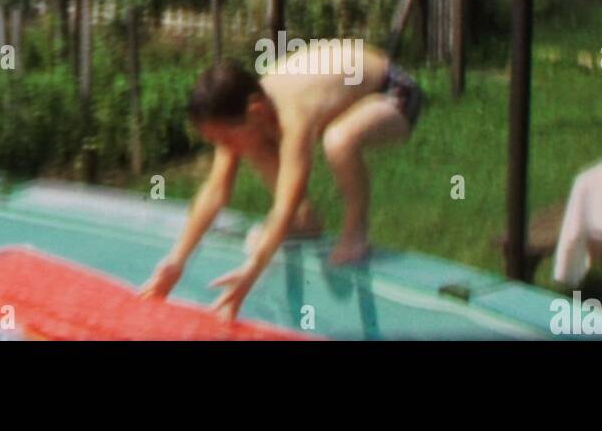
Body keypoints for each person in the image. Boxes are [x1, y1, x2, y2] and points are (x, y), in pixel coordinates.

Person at [139, 42, 423, 320]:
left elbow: (283, 206)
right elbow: (215, 191)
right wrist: (176, 261)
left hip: (393, 90)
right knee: (250, 144)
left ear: (256, 110)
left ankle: (355, 234)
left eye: (225, 138)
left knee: (339, 140)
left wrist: (253, 269)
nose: (225, 147)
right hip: (346, 90)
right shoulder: (243, 111)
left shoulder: (295, 114)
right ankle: (305, 221)